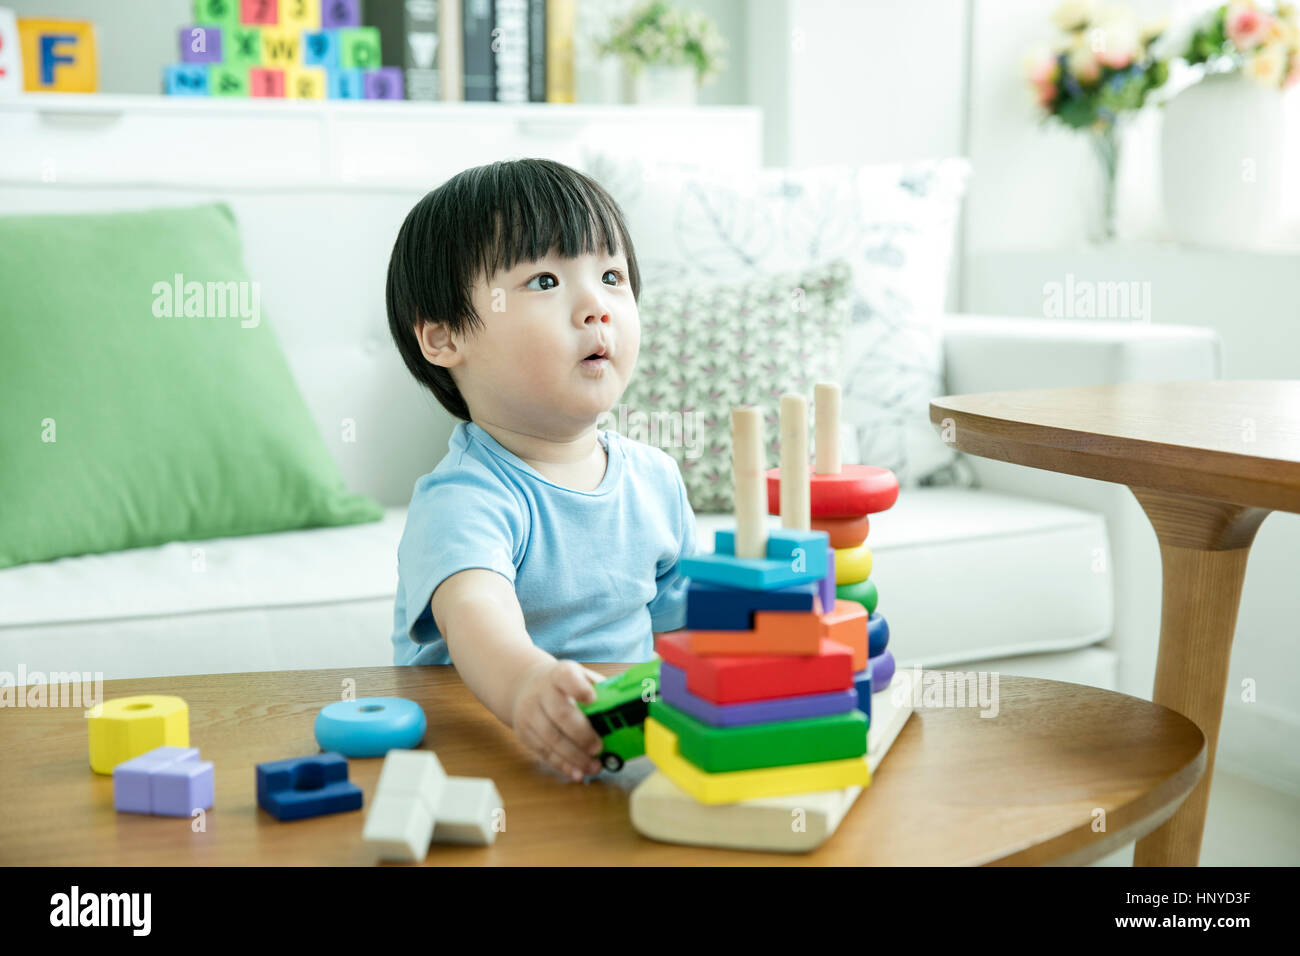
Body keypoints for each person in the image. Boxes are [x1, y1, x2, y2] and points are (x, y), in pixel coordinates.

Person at [385, 158, 697, 783]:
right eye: (546, 282)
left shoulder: (655, 480)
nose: (595, 306)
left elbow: (684, 639)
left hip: (619, 762)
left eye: (612, 276)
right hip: (490, 762)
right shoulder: (465, 498)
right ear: (444, 338)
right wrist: (527, 685)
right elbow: (476, 613)